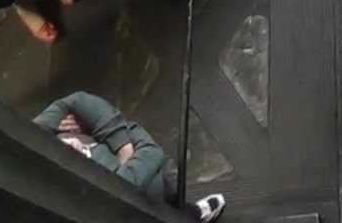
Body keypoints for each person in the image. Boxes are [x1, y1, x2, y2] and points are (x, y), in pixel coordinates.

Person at [33, 91, 227, 221]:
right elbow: (151, 152)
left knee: (174, 198)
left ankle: (191, 212)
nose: (70, 143)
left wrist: (121, 146)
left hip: (155, 184)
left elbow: (77, 102)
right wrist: (127, 146)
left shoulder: (36, 136)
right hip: (145, 209)